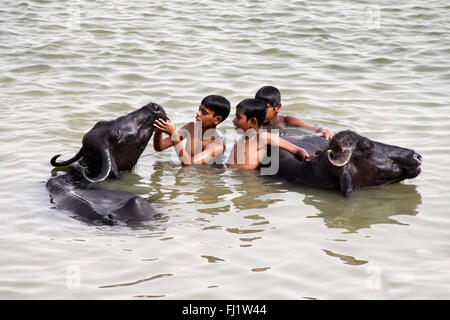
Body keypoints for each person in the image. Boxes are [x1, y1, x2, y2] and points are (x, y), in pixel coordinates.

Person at [227, 98, 313, 170]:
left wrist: (306, 157)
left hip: (251, 185)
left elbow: (297, 149)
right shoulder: (241, 140)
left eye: (238, 117)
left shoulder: (262, 137)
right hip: (238, 183)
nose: (234, 120)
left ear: (252, 122)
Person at [153, 95, 230, 166]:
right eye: (199, 109)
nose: (198, 113)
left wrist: (174, 135)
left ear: (217, 119)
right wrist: (159, 128)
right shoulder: (191, 127)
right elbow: (159, 147)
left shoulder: (217, 147)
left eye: (204, 112)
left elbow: (188, 165)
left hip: (206, 177)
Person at [255, 85, 333, 139]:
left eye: (265, 108)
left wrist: (326, 131)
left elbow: (314, 129)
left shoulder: (287, 121)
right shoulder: (254, 121)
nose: (260, 111)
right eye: (258, 106)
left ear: (278, 108)